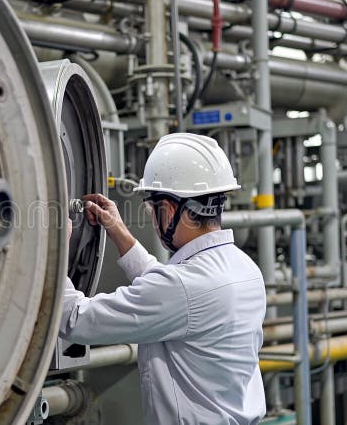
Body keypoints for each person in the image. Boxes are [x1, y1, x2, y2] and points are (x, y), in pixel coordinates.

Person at [60, 133, 266, 425]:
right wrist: (118, 231)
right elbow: (170, 293)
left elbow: (75, 319)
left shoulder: (182, 288)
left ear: (168, 211)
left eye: (151, 209)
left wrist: (55, 250)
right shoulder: (246, 270)